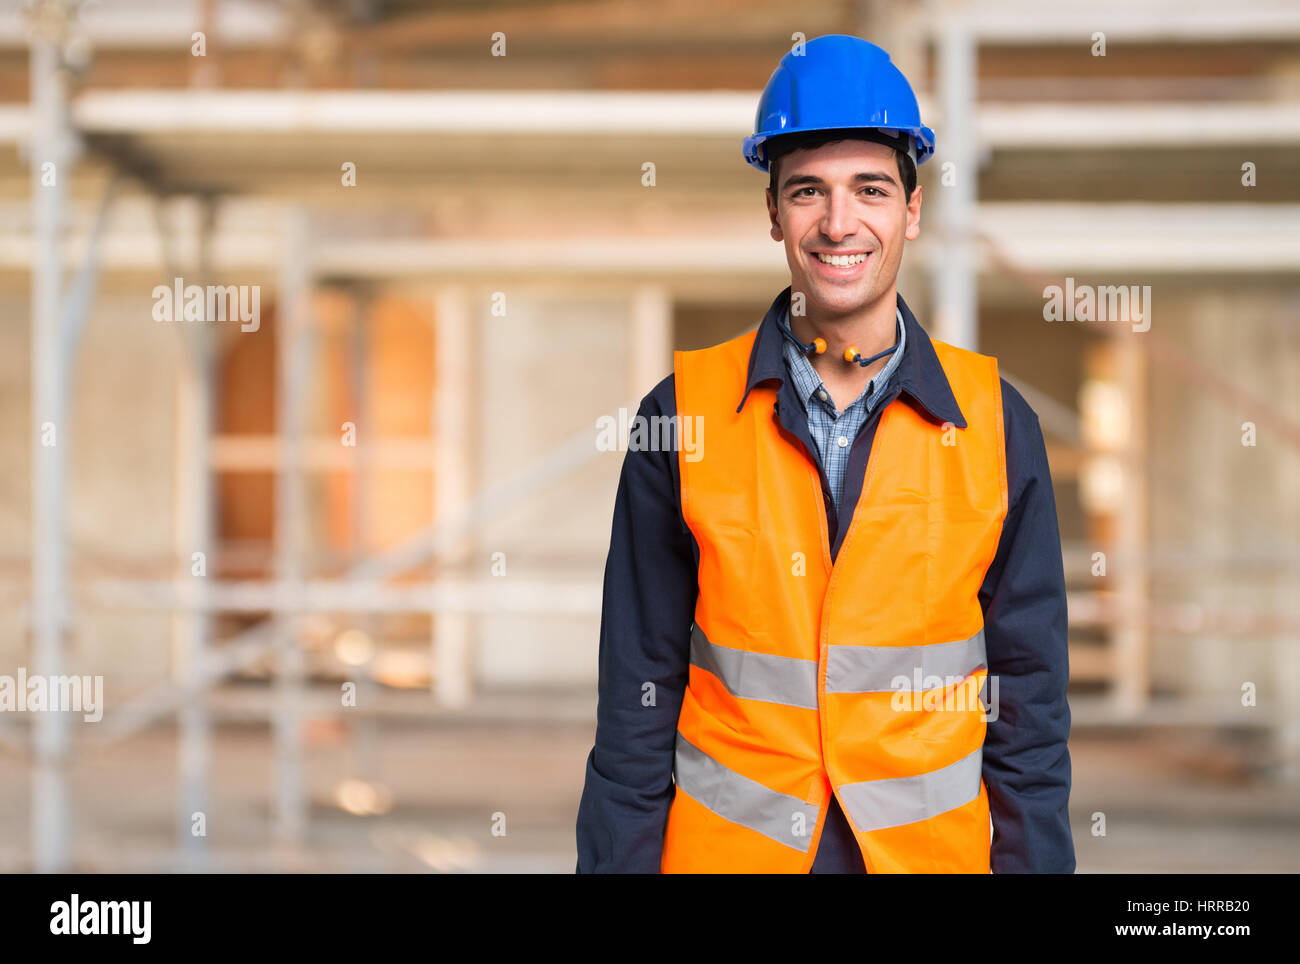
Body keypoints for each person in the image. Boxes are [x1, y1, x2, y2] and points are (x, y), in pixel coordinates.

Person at [576, 34, 1074, 873]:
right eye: (808, 191)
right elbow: (635, 698)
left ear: (911, 211)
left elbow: (1031, 711)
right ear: (773, 211)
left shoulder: (996, 424)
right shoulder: (683, 418)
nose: (839, 223)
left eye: (870, 189)